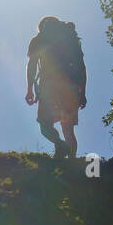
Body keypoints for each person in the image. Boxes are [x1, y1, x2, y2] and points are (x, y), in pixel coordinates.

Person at [25, 16, 87, 160]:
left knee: (44, 126)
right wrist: (83, 93)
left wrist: (29, 88)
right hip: (71, 88)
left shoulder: (39, 39)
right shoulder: (71, 39)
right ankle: (70, 162)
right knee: (68, 129)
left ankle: (60, 146)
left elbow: (32, 65)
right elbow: (82, 68)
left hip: (49, 87)